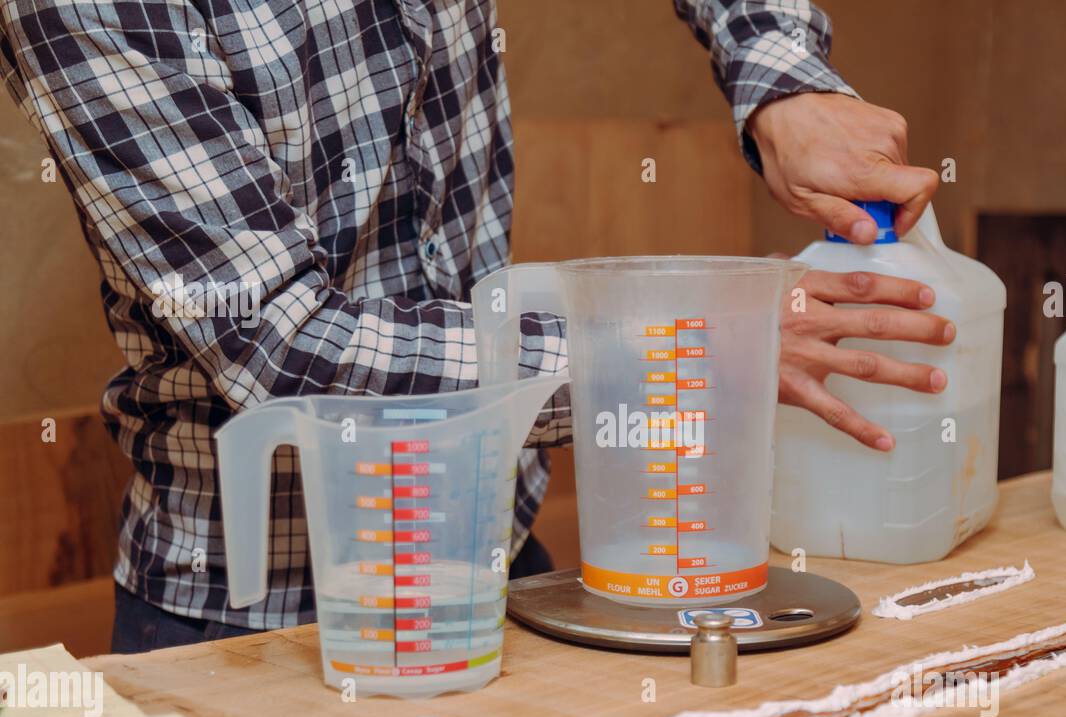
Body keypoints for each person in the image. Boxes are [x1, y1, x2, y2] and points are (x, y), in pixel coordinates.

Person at [0, 1, 949, 652]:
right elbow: (279, 343)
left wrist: (783, 74)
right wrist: (682, 350)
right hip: (258, 619)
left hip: (495, 557)